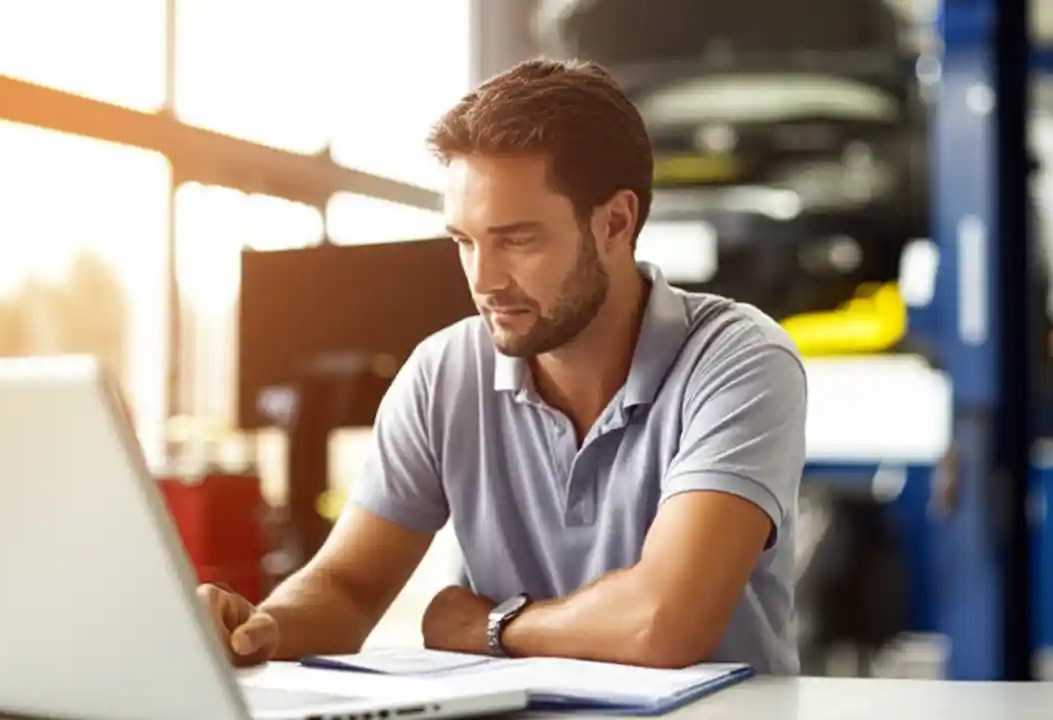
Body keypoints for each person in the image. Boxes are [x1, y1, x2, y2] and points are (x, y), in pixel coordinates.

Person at [197, 58, 807, 675]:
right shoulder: (443, 372)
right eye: (464, 241)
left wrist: (488, 626)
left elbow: (663, 621)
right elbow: (349, 587)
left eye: (517, 240)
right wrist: (261, 627)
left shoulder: (739, 360)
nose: (483, 280)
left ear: (615, 224)